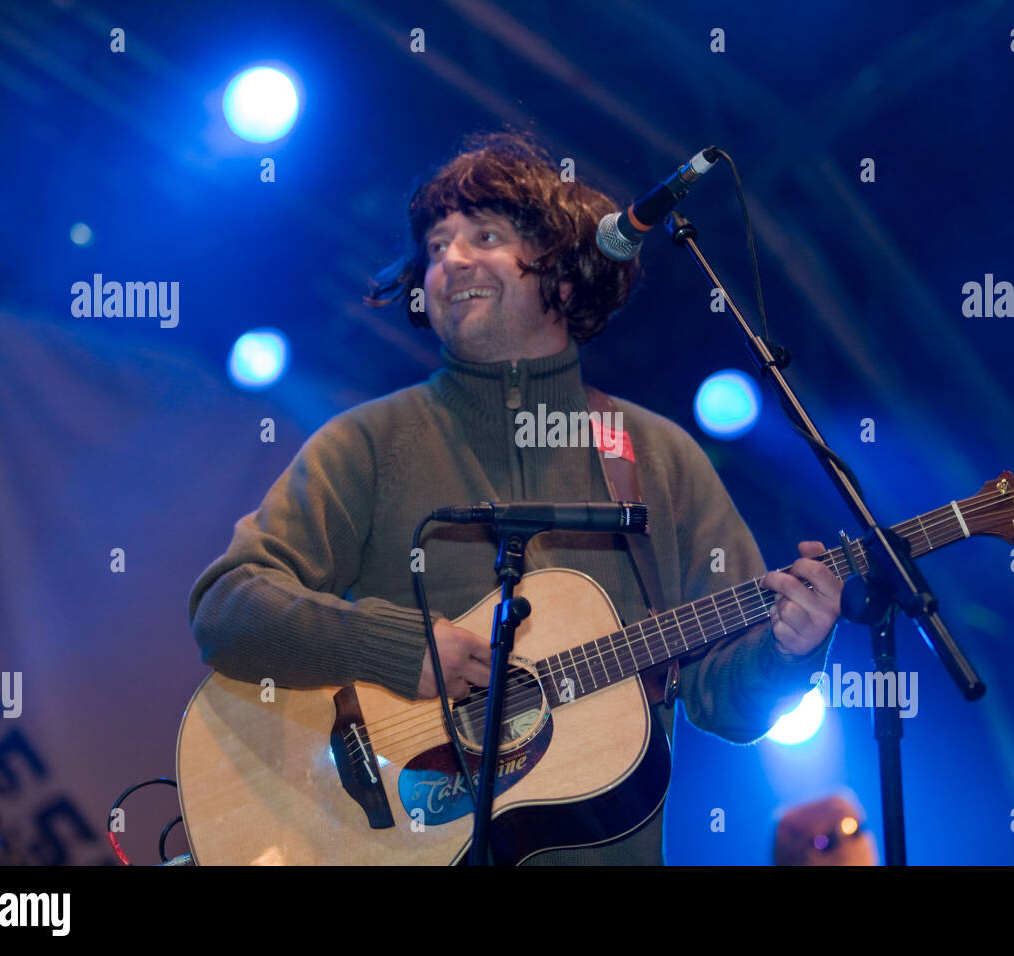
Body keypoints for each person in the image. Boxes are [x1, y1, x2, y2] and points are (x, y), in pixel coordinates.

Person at [187, 130, 841, 864]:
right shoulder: (367, 442)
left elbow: (726, 701)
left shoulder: (657, 455)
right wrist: (398, 648)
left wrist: (790, 652)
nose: (451, 260)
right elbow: (227, 607)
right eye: (436, 246)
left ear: (563, 277)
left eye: (485, 236)